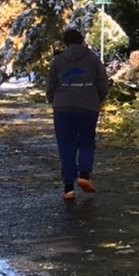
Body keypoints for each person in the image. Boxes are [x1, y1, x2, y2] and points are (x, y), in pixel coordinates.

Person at [46, 28, 109, 201]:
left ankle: (68, 188)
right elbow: (103, 83)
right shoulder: (93, 59)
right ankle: (84, 175)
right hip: (88, 106)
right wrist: (98, 98)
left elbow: (50, 86)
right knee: (87, 141)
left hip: (62, 107)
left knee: (66, 145)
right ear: (82, 41)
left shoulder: (57, 60)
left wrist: (55, 100)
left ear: (65, 43)